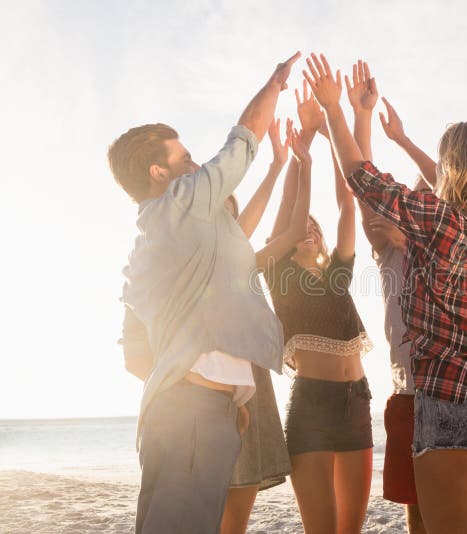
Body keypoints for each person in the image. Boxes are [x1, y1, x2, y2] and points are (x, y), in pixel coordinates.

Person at [304, 52, 467, 534]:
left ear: (454, 165)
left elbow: (362, 179)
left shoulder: (440, 220)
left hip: (450, 391)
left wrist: (333, 109)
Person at [111, 52, 300, 534]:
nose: (195, 164)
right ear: (159, 173)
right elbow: (240, 143)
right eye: (183, 157)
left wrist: (233, 396)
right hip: (189, 413)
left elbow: (237, 239)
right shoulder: (175, 206)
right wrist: (274, 86)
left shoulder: (176, 231)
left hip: (206, 413)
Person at [360, 81, 467, 534]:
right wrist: (362, 118)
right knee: (416, 509)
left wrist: (403, 140)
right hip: (409, 392)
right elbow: (366, 190)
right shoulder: (390, 252)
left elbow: (450, 195)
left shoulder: (452, 239)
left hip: (456, 386)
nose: (420, 207)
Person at [260, 81, 374, 534]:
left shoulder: (337, 274)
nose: (307, 227)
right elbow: (290, 205)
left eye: (313, 226)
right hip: (311, 408)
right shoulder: (279, 277)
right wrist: (299, 152)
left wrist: (331, 126)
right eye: (298, 227)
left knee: (352, 529)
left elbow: (348, 203)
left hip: (357, 405)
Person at [219, 118, 294, 534]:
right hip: (211, 388)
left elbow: (292, 231)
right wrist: (275, 168)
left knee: (237, 519)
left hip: (253, 382)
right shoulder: (201, 260)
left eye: (234, 214)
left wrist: (289, 163)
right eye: (224, 215)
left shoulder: (245, 266)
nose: (233, 225)